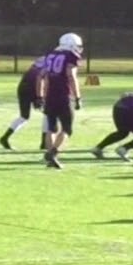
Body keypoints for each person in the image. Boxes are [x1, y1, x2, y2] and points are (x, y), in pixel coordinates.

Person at [38, 33, 83, 169]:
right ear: (71, 44)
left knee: (51, 128)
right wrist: (78, 97)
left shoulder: (50, 54)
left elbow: (41, 76)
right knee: (67, 129)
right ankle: (53, 153)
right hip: (64, 96)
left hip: (50, 95)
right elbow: (71, 76)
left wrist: (41, 95)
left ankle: (50, 157)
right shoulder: (71, 56)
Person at [0, 56, 46, 150]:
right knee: (48, 114)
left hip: (23, 86)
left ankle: (5, 138)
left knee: (24, 116)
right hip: (33, 88)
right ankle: (44, 143)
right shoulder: (54, 60)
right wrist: (40, 97)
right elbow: (40, 79)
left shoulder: (45, 58)